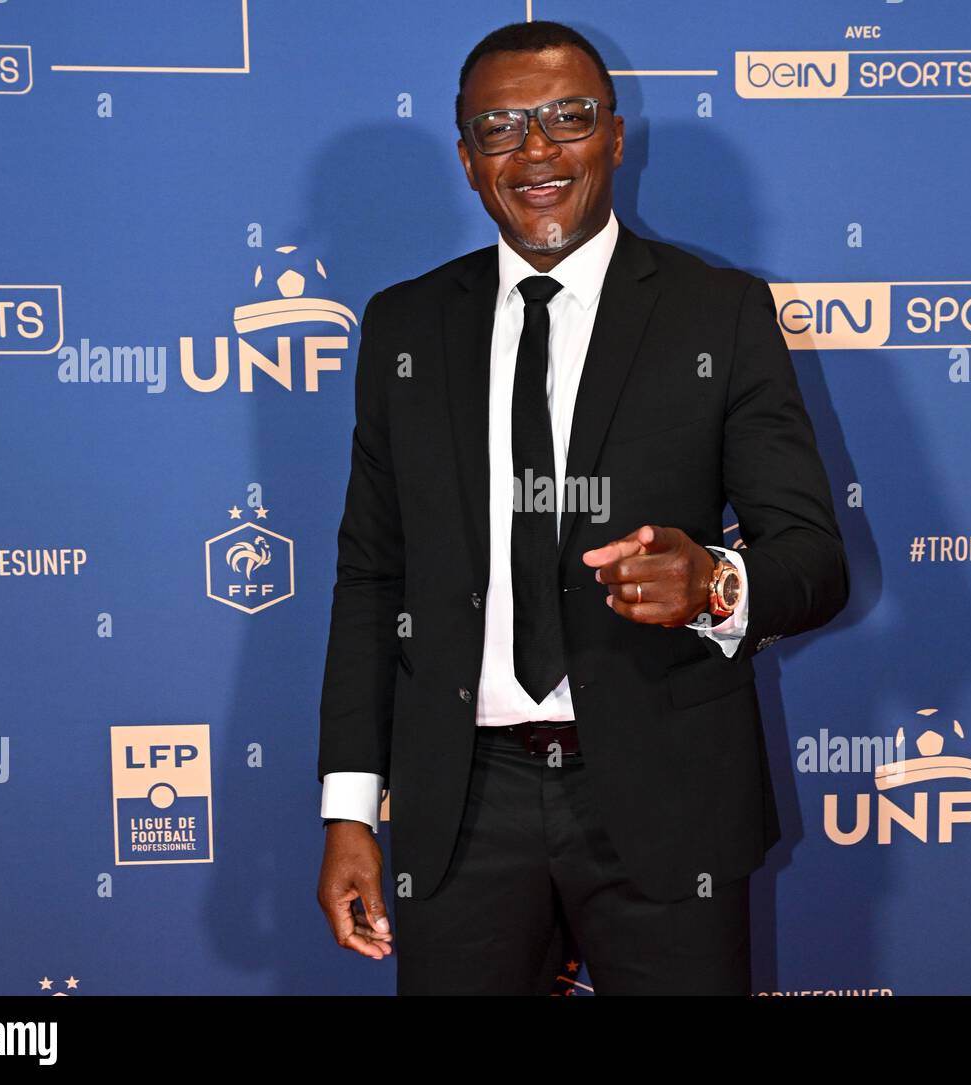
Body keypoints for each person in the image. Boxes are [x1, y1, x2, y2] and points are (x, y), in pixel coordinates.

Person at [315, 19, 849, 995]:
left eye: (566, 119)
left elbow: (814, 557)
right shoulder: (404, 324)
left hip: (667, 792)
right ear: (467, 156)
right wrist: (350, 807)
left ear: (612, 135)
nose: (534, 150)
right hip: (459, 807)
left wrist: (717, 583)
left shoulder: (717, 313)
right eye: (500, 128)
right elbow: (371, 575)